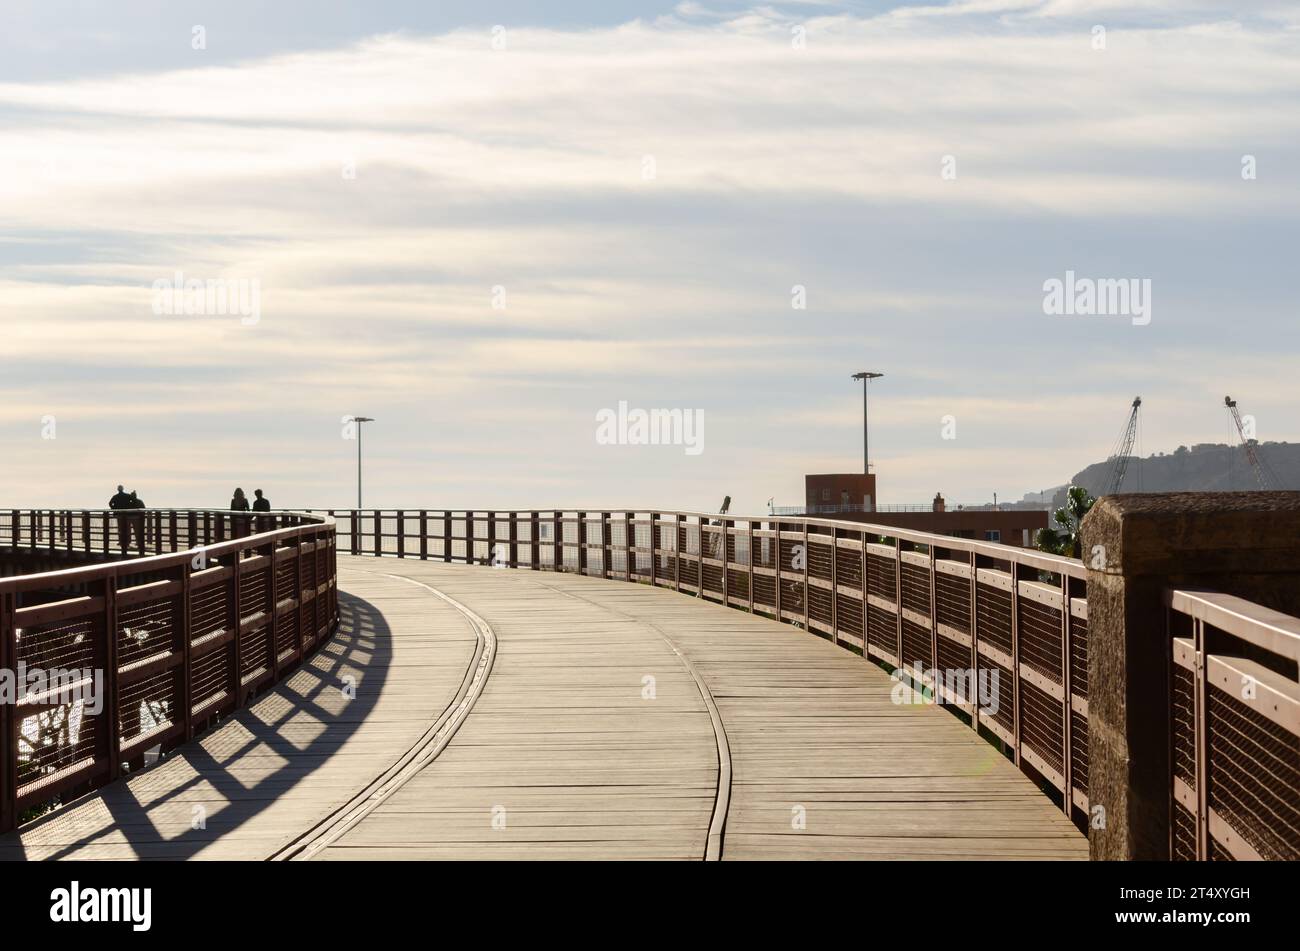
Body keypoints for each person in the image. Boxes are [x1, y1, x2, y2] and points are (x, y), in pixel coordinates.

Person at [109, 484, 132, 552]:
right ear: (123, 489)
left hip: (119, 514)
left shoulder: (115, 496)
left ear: (118, 489)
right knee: (127, 528)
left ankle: (121, 541)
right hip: (127, 514)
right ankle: (127, 541)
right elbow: (133, 501)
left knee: (120, 528)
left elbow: (110, 503)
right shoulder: (127, 496)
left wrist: (114, 509)